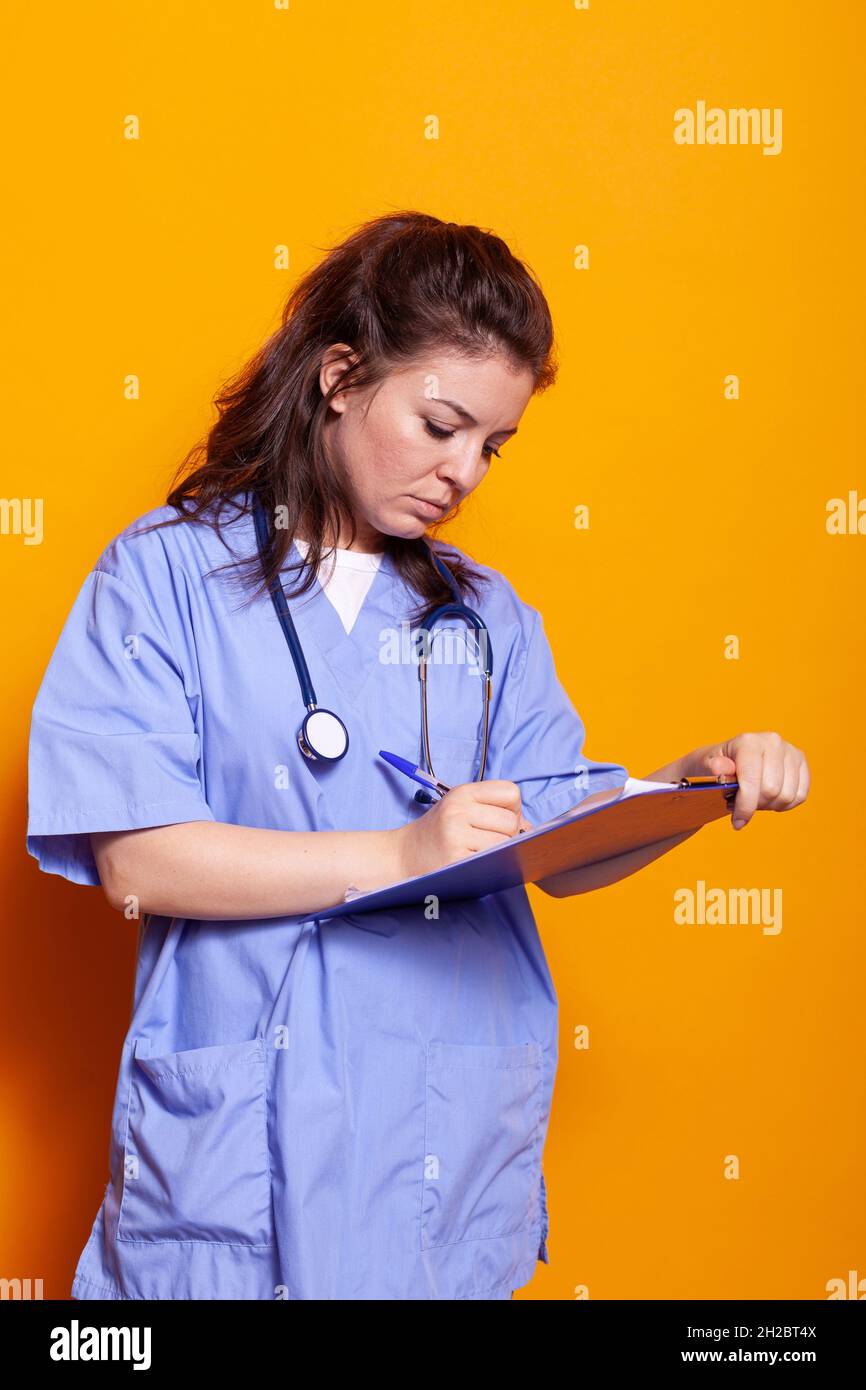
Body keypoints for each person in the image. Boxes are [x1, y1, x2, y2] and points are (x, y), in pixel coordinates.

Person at [26, 211, 809, 1301]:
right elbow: (138, 860)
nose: (464, 472)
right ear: (341, 377)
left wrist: (691, 785)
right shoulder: (161, 577)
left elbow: (557, 838)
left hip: (438, 1135)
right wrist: (402, 853)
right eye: (440, 424)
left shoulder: (484, 617)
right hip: (240, 1138)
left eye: (491, 445)